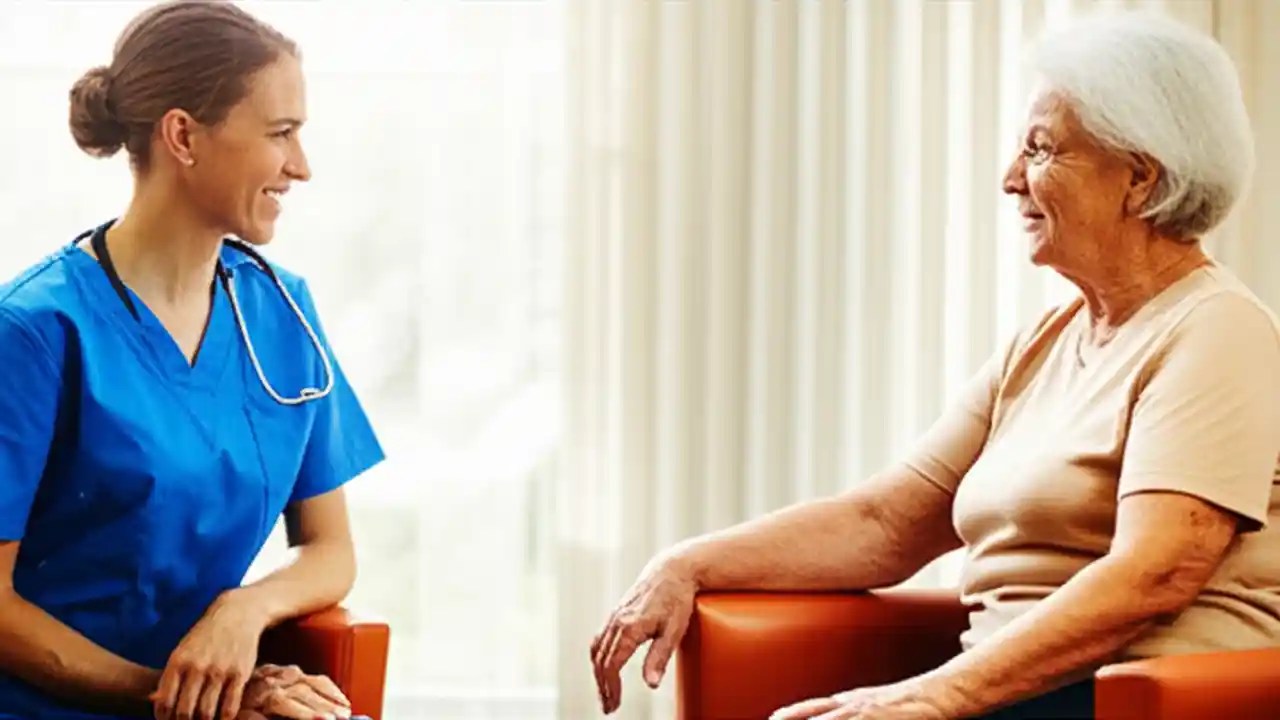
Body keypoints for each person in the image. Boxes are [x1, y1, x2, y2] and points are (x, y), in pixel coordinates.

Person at [591, 11, 1280, 720]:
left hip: (1126, 694)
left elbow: (1156, 572)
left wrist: (929, 697)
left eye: (1041, 150)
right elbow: (884, 523)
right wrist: (685, 563)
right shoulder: (1041, 347)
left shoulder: (1218, 332)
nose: (1012, 179)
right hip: (1011, 692)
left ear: (1139, 179)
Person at [0, 2, 384, 719]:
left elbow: (331, 551)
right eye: (281, 134)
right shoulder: (33, 331)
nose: (300, 166)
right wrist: (180, 696)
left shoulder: (282, 312)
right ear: (183, 136)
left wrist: (243, 612)